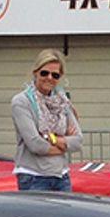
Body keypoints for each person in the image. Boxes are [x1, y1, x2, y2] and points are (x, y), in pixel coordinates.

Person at [11, 49, 83, 192]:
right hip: (34, 177)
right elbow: (36, 145)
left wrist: (52, 139)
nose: (49, 78)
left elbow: (78, 141)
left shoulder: (63, 102)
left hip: (61, 176)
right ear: (35, 72)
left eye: (55, 75)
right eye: (44, 73)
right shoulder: (21, 102)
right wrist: (64, 142)